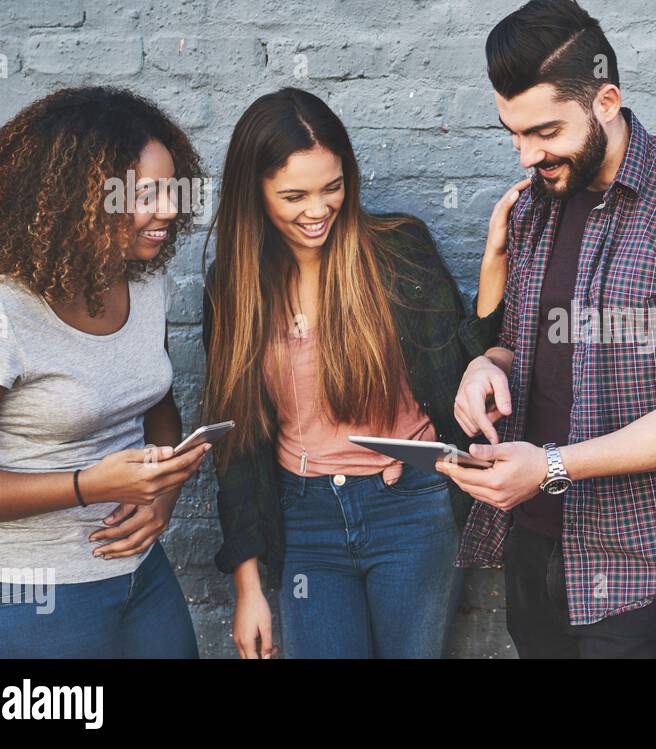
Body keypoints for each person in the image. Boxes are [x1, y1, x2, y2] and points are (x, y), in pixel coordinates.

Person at [439, 0, 656, 659]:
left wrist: (553, 465)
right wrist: (487, 367)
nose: (527, 154)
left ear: (606, 100)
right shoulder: (535, 206)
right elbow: (523, 343)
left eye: (544, 131)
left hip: (640, 563)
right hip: (534, 542)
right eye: (513, 134)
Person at [203, 88, 511, 659]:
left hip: (411, 505)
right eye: (293, 195)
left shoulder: (397, 250)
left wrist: (494, 262)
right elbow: (235, 444)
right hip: (304, 516)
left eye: (332, 188)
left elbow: (466, 366)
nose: (318, 210)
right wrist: (248, 586)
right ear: (256, 193)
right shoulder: (235, 287)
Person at [0, 87, 208, 658]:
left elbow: (158, 407)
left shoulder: (144, 283)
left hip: (140, 574)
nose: (168, 208)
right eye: (145, 194)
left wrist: (161, 498)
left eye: (171, 188)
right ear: (76, 199)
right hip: (23, 595)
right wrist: (87, 486)